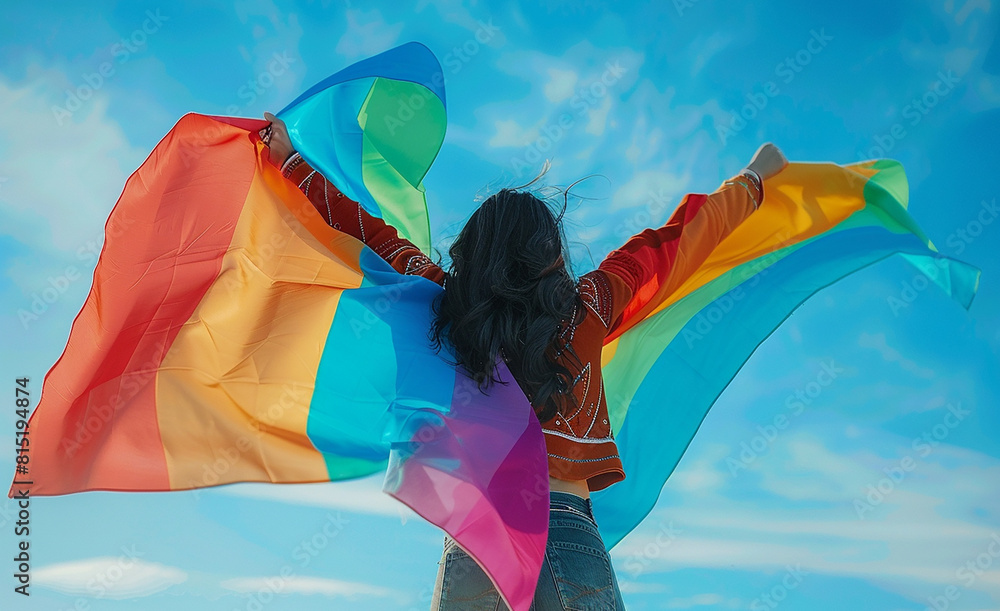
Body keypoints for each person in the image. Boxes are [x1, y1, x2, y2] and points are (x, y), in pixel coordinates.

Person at [260, 112, 788, 610]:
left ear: (473, 254)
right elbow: (681, 239)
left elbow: (367, 236)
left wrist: (289, 162)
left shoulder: (447, 310)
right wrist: (753, 178)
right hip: (566, 532)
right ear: (552, 252)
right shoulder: (591, 307)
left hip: (476, 542)